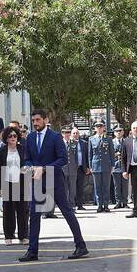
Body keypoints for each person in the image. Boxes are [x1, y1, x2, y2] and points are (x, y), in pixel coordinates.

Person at [21, 109, 89, 262]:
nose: (35, 123)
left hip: (54, 180)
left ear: (45, 119)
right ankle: (32, 251)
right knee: (34, 215)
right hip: (37, 181)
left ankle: (81, 245)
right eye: (33, 120)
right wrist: (31, 167)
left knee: (67, 212)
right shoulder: (30, 138)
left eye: (38, 120)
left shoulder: (55, 137)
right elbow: (27, 159)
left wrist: (44, 168)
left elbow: (62, 159)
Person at [0, 126, 29, 245]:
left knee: (23, 211)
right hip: (7, 183)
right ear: (6, 138)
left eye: (15, 136)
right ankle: (8, 236)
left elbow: (27, 164)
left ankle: (23, 236)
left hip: (21, 183)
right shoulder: (1, 151)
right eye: (10, 136)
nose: (13, 138)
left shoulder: (23, 149)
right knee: (8, 211)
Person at [88, 120, 116, 212]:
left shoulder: (108, 139)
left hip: (106, 166)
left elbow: (112, 153)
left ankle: (106, 205)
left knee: (106, 187)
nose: (99, 128)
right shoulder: (91, 139)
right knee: (97, 187)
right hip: (96, 166)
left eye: (101, 126)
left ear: (104, 128)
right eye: (97, 126)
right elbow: (90, 154)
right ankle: (99, 205)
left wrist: (112, 165)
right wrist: (90, 166)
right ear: (95, 128)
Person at [112, 125, 130, 208]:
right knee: (117, 185)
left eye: (120, 131)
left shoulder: (126, 141)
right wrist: (115, 154)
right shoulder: (111, 142)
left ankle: (125, 202)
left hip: (124, 167)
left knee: (125, 185)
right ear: (114, 133)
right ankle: (118, 202)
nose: (118, 132)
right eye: (117, 131)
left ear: (123, 132)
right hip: (115, 166)